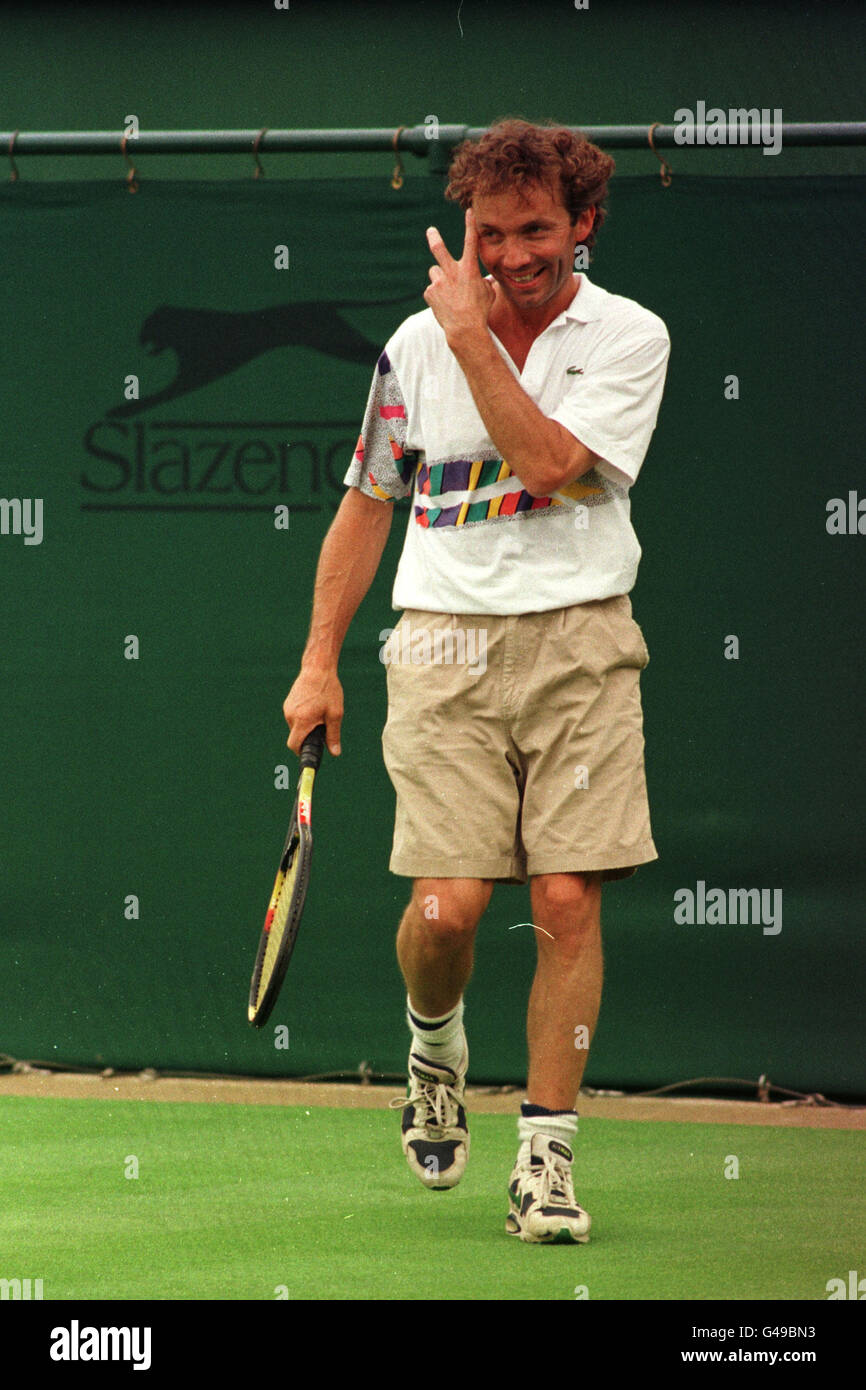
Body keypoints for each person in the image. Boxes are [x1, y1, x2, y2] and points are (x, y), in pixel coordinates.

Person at [284, 118, 670, 1244]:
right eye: (490, 234)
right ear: (467, 228)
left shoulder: (627, 337)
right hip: (439, 644)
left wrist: (471, 345)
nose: (510, 255)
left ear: (583, 223)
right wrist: (318, 662)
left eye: (536, 230)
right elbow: (366, 501)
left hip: (581, 644)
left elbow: (552, 466)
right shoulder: (411, 345)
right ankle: (433, 1044)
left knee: (562, 900)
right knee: (446, 911)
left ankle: (544, 1159)